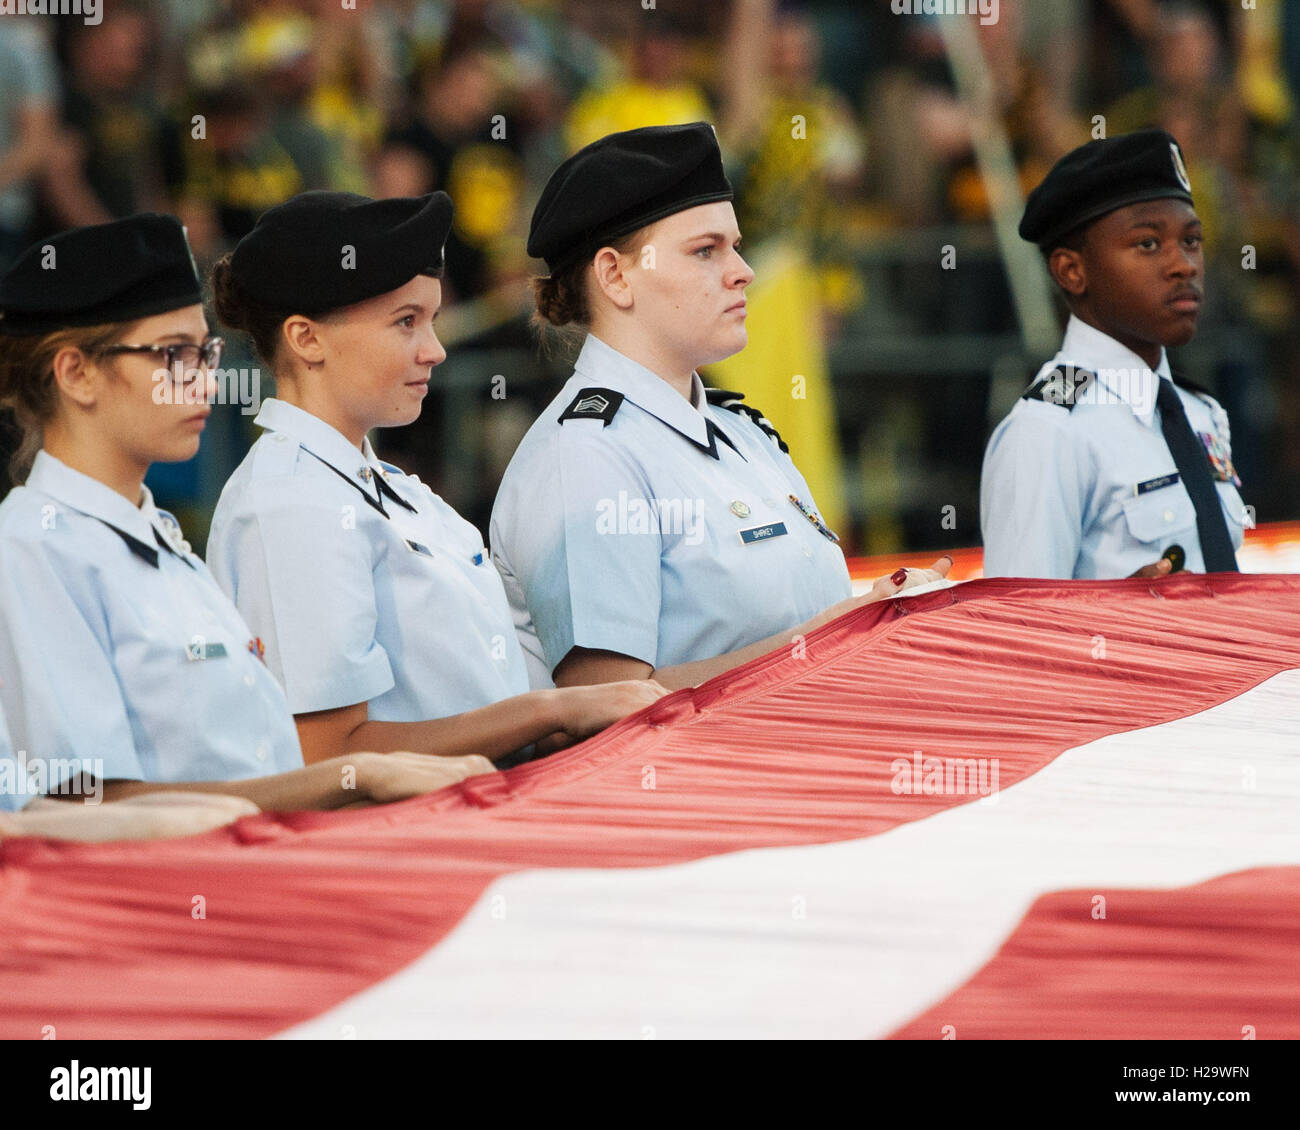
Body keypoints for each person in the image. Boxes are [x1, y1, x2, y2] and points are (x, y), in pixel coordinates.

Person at [0, 214, 494, 812]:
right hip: (178, 896)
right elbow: (87, 805)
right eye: (172, 356)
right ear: (76, 373)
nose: (206, 385)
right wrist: (355, 775)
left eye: (205, 353)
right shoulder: (32, 548)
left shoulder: (152, 539)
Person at [205, 190, 666, 767]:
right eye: (406, 323)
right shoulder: (290, 502)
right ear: (306, 338)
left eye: (433, 320)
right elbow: (326, 758)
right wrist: (551, 713)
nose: (436, 350)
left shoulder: (381, 484)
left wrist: (561, 716)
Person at [489, 123, 951, 692]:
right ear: (616, 276)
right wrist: (841, 635)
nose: (743, 271)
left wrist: (883, 614)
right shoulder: (587, 455)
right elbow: (604, 711)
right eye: (705, 250)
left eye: (735, 245)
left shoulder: (741, 432)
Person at [980, 128, 1251, 579]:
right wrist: (1118, 625)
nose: (1184, 264)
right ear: (1072, 271)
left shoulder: (1198, 411)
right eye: (1147, 243)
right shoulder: (1048, 430)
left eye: (1191, 241)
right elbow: (1022, 634)